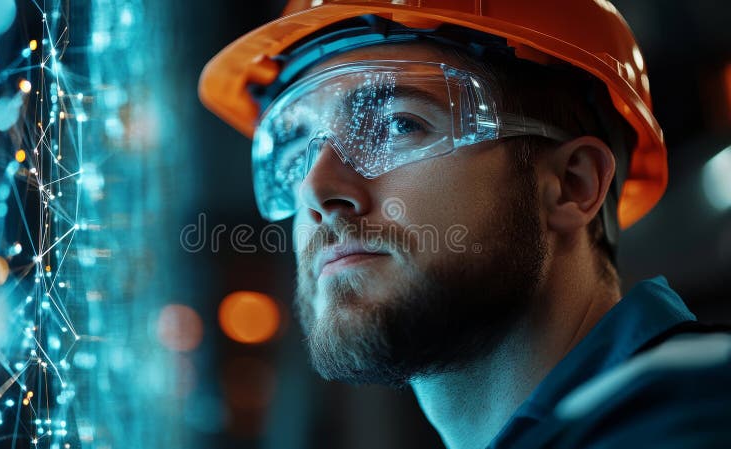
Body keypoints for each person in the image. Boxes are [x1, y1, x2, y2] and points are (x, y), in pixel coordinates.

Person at [199, 1, 731, 448]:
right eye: (295, 154)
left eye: (396, 125)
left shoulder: (697, 413)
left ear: (573, 185)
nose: (315, 190)